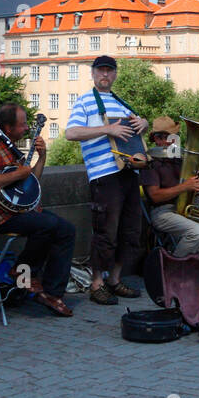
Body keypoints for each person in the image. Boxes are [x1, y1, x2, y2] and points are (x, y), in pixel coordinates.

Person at [0, 102, 75, 317]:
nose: (27, 128)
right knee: (48, 225)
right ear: (7, 128)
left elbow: (30, 183)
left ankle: (53, 293)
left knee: (67, 229)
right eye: (22, 124)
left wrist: (42, 156)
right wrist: (17, 174)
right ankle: (23, 273)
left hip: (20, 211)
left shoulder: (12, 149)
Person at [65, 56, 148, 305]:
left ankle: (115, 279)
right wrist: (107, 130)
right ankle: (97, 284)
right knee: (105, 233)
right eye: (101, 70)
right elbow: (71, 132)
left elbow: (136, 132)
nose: (105, 75)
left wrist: (143, 123)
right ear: (92, 73)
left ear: (115, 74)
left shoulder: (121, 104)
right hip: (104, 176)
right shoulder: (85, 102)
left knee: (130, 231)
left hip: (128, 172)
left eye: (109, 71)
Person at [139, 116, 199, 256]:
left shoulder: (180, 160)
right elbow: (155, 196)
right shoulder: (150, 162)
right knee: (197, 232)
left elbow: (194, 184)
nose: (170, 141)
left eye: (173, 137)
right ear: (157, 139)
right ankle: (175, 267)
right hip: (163, 212)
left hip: (185, 210)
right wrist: (184, 186)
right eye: (164, 137)